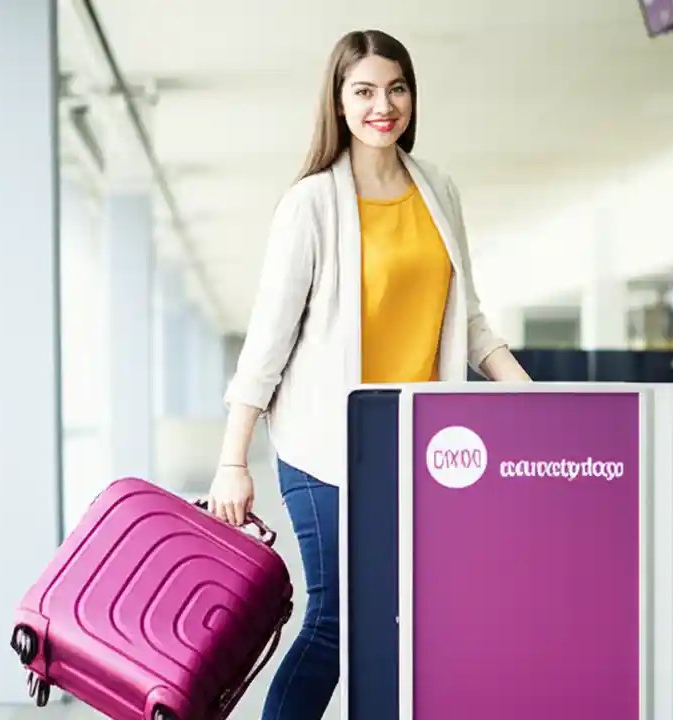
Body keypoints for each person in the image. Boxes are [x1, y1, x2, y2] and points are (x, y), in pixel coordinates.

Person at [206, 29, 531, 719]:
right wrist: (233, 461)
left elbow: (467, 319)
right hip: (323, 446)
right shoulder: (311, 204)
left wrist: (532, 399)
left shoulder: (437, 190)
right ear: (338, 102)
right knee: (335, 619)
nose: (383, 106)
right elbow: (267, 340)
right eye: (364, 91)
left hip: (415, 447)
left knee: (407, 619)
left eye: (396, 88)